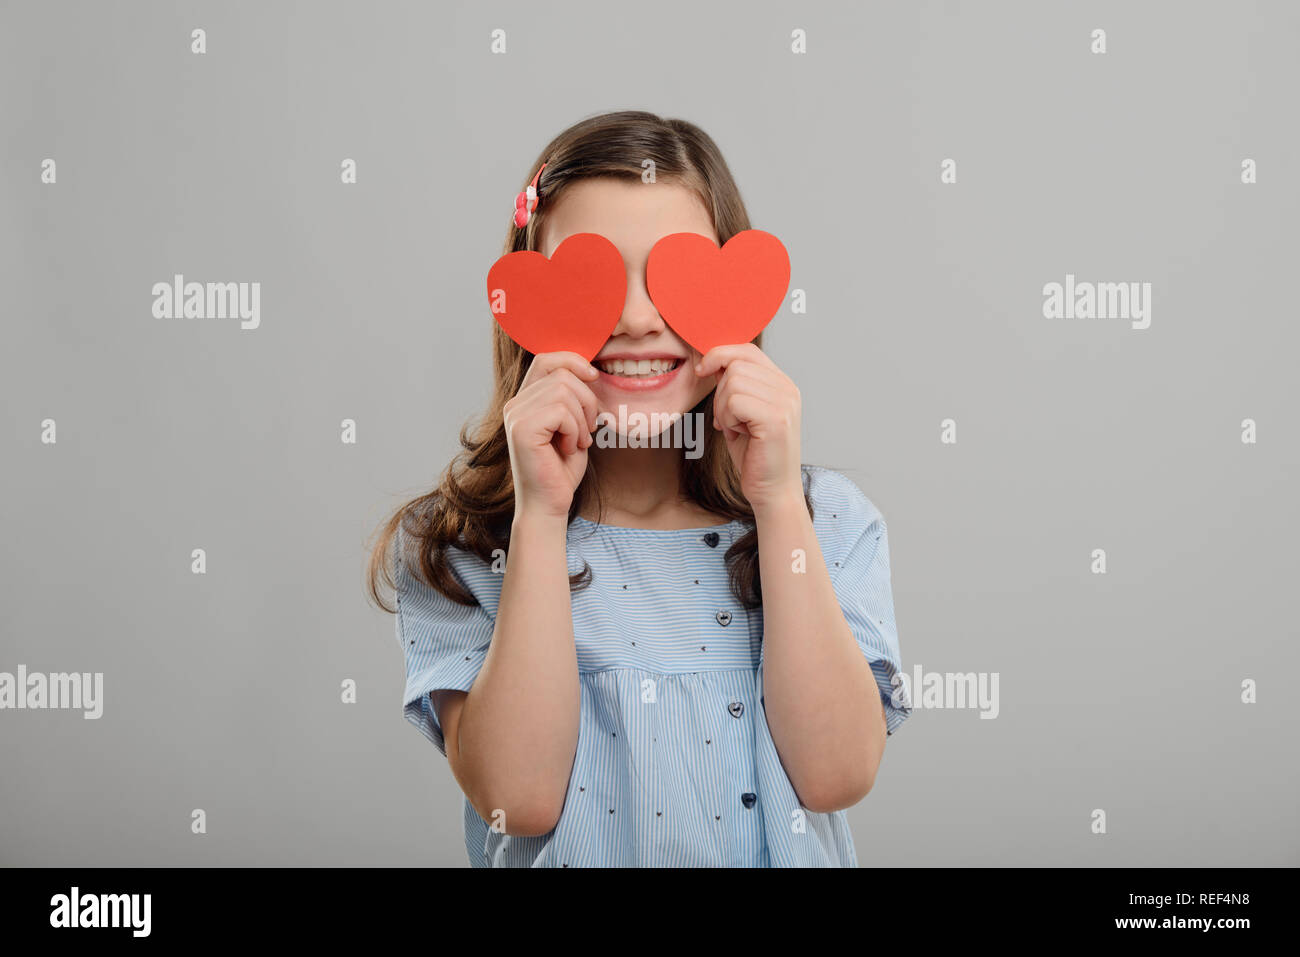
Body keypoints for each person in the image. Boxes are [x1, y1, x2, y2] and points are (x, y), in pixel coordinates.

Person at [367, 110, 912, 866]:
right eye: (591, 279)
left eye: (673, 275)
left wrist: (779, 501)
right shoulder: (462, 544)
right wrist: (541, 516)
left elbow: (837, 774)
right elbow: (516, 796)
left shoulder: (825, 522)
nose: (633, 318)